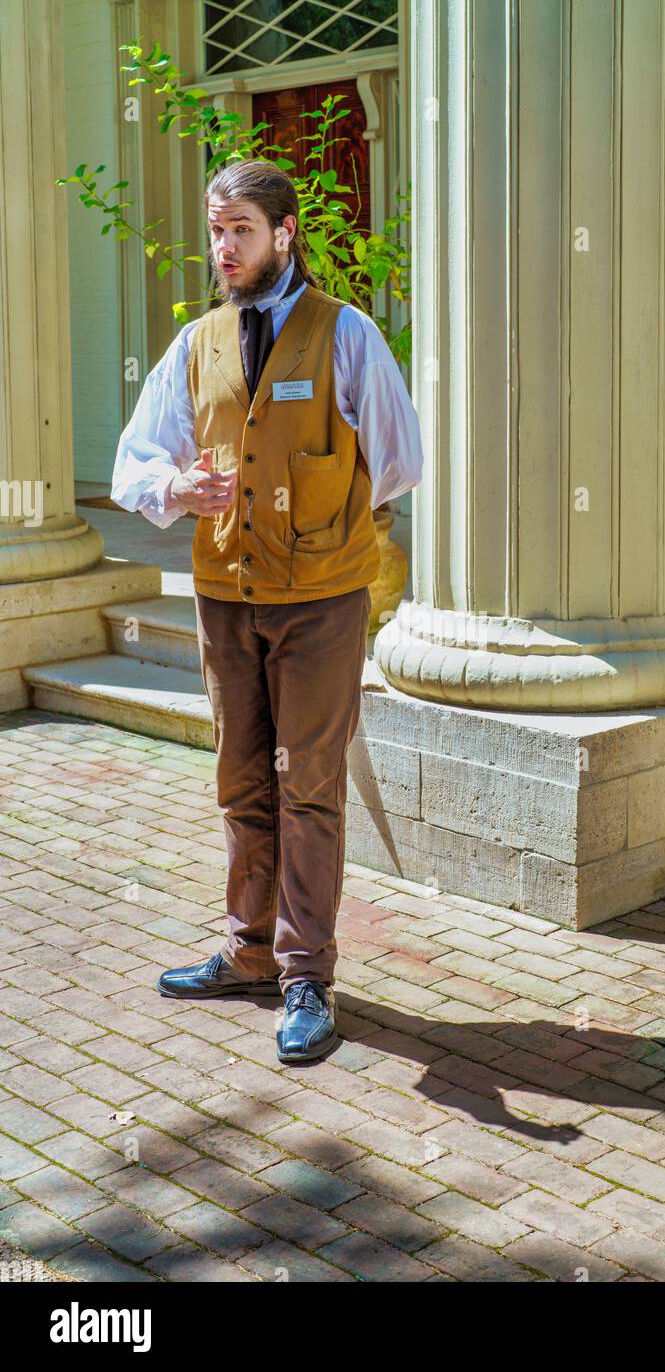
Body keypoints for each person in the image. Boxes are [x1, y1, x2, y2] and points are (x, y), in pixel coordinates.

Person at [111, 159, 423, 1063]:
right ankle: (249, 952)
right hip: (225, 600)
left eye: (241, 229)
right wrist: (178, 485)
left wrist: (322, 508)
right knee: (243, 780)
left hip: (322, 602)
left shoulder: (346, 332)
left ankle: (307, 978)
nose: (224, 248)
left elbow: (398, 457)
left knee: (309, 790)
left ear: (284, 234)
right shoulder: (199, 341)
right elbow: (137, 459)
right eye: (216, 231)